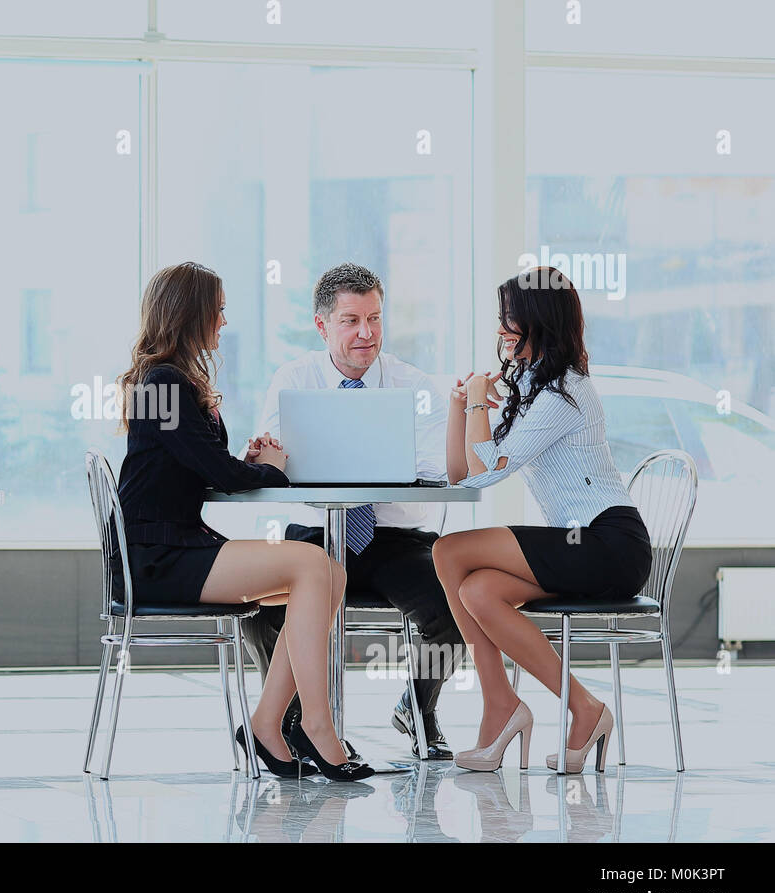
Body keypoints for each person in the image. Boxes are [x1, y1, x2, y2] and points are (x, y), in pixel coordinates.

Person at [115, 261, 373, 781]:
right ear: (191, 314)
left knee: (331, 573)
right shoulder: (164, 383)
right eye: (219, 310)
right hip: (159, 556)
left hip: (177, 545)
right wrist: (265, 470)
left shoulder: (170, 381)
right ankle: (318, 727)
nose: (224, 322)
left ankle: (267, 723)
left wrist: (251, 463)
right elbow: (219, 474)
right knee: (311, 565)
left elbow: (200, 465)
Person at [432, 267, 651, 773]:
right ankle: (568, 707)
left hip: (607, 541)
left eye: (510, 318)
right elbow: (460, 474)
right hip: (583, 544)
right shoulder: (533, 387)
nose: (502, 328)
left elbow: (483, 477)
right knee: (478, 591)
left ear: (538, 322)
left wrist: (479, 405)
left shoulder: (561, 396)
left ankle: (504, 706)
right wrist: (459, 404)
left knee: (449, 552)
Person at [246, 263, 465, 760]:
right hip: (319, 536)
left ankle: (419, 706)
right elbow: (274, 464)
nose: (366, 333)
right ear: (322, 325)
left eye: (375, 318)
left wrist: (369, 460)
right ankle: (287, 718)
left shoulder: (415, 385)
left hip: (394, 539)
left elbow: (439, 465)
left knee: (456, 604)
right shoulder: (294, 379)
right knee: (261, 608)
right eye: (351, 320)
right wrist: (265, 456)